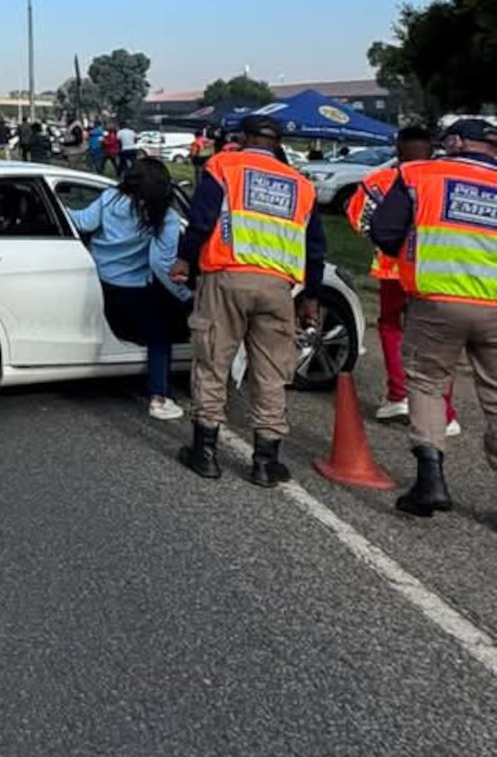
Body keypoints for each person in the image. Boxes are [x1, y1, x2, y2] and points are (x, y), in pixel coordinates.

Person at [171, 114, 324, 486]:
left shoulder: (224, 165)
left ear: (244, 137)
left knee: (213, 362)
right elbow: (316, 247)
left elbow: (202, 219)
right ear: (277, 143)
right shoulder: (301, 185)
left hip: (227, 277)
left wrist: (185, 259)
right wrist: (311, 297)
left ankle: (205, 454)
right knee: (271, 373)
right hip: (278, 288)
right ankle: (266, 462)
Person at [368, 118, 497, 517]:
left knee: (426, 383)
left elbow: (384, 231)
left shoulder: (419, 174)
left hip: (437, 300)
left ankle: (430, 479)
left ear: (456, 142)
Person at [346, 126, 459, 434]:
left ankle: (399, 395)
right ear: (432, 150)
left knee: (392, 327)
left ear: (397, 149)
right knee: (439, 340)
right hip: (439, 271)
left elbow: (357, 217)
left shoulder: (380, 180)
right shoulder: (447, 179)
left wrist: (386, 241)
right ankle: (445, 412)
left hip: (393, 269)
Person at [69, 158, 194, 419]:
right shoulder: (165, 215)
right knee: (160, 336)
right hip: (134, 288)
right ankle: (159, 398)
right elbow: (161, 264)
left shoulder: (109, 198)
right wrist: (186, 297)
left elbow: (82, 223)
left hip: (98, 280)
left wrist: (52, 207)